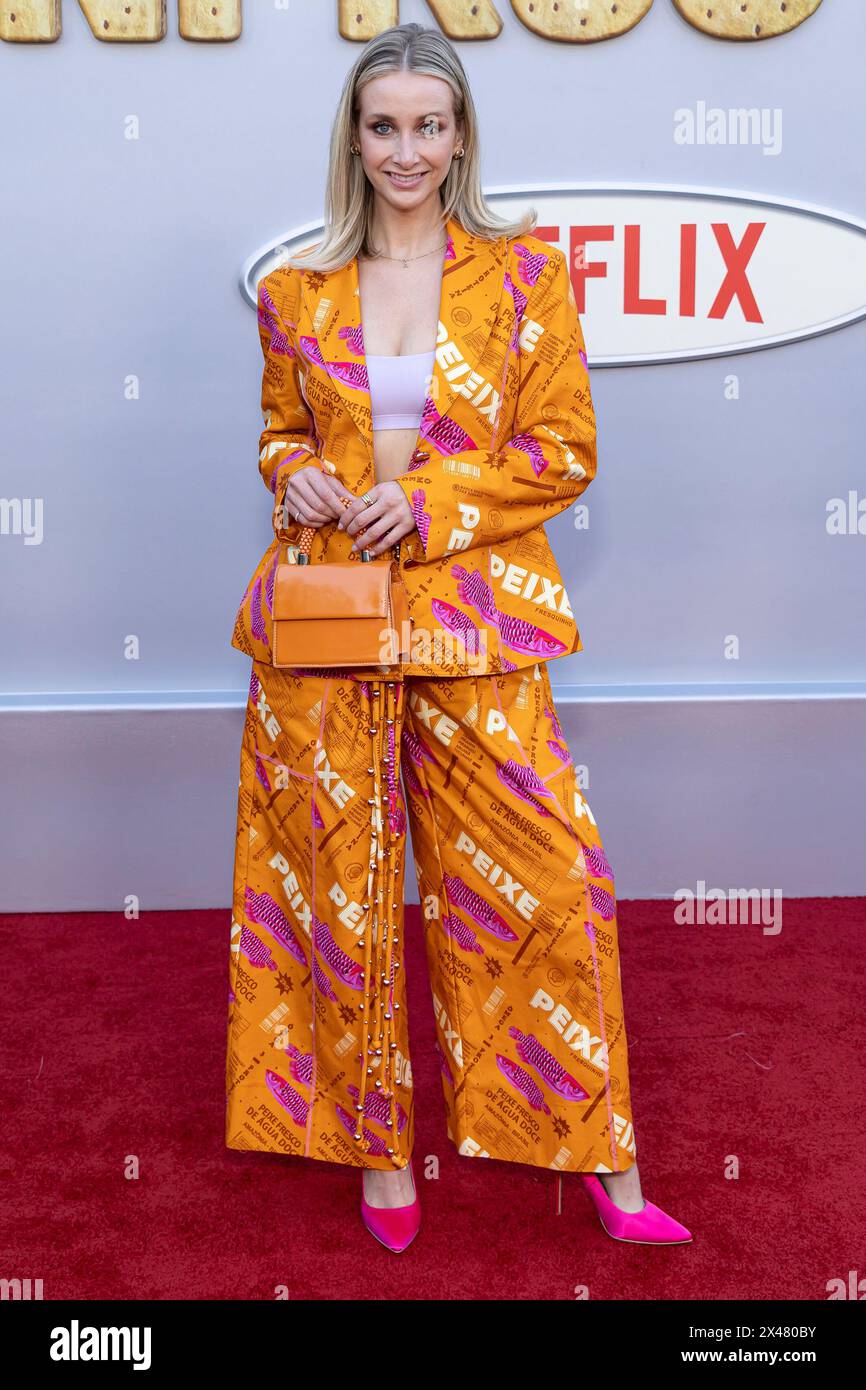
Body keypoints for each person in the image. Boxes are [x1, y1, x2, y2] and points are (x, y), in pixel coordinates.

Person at [226, 22, 692, 1254]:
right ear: (353, 137)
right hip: (325, 622)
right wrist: (301, 482)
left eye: (429, 125)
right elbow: (278, 436)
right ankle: (380, 1159)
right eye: (383, 126)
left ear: (462, 134)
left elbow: (560, 454)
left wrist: (425, 503)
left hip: (472, 628)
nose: (407, 150)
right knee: (342, 891)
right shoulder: (293, 292)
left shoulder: (526, 276)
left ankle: (600, 1157)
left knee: (547, 883)